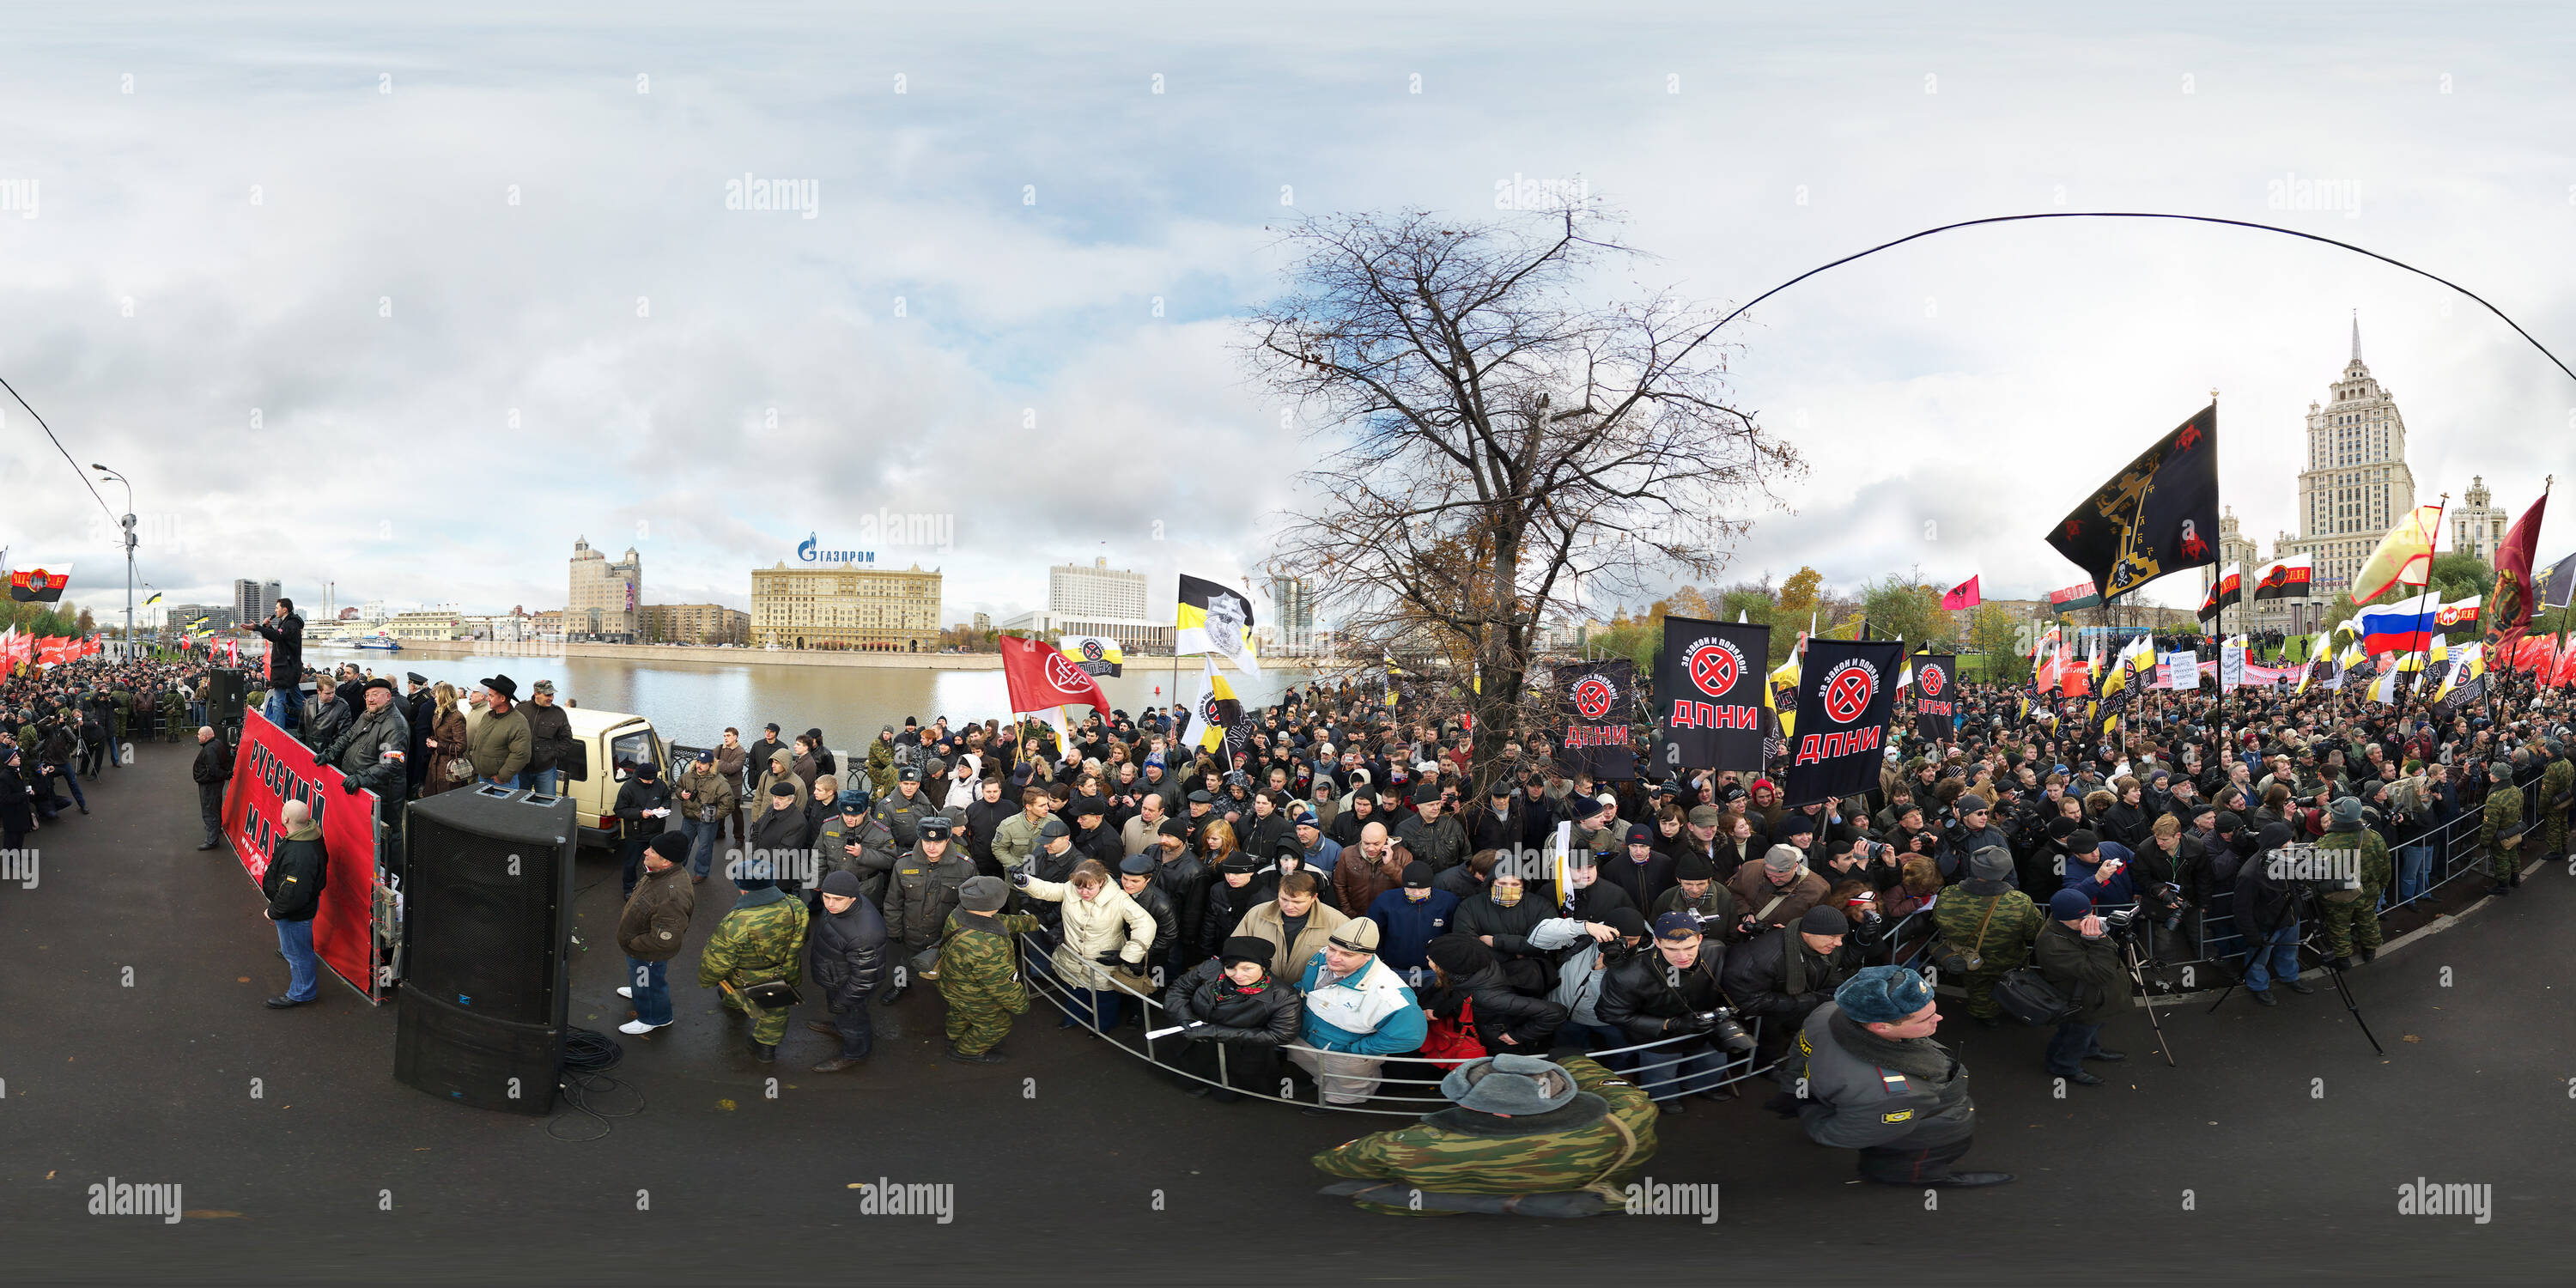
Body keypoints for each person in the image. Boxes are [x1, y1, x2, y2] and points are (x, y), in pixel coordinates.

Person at [1311, 1050, 1658, 1216]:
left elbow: (1338, 1162)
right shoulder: (1632, 1116)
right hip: (1578, 1179)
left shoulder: (1411, 1146)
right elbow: (1616, 1089)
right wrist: (1573, 1061)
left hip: (1444, 1206)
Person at [1777, 964, 2008, 1188]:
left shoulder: (1828, 1012)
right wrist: (1811, 1113)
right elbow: (1848, 1135)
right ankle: (1923, 1178)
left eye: (1933, 1010)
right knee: (1903, 1169)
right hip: (1922, 1138)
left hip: (1871, 1108)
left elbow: (1801, 1052)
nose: (1939, 1019)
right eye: (1925, 1019)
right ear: (1881, 1027)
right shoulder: (1891, 1092)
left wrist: (1795, 1091)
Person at [1599, 911, 1741, 1113]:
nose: (1683, 957)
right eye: (1672, 949)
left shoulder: (1716, 950)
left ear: (1700, 938)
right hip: (1659, 1039)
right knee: (1661, 1073)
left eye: (1690, 947)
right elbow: (1610, 1014)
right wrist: (1669, 1025)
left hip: (1706, 1028)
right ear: (1657, 942)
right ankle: (1664, 1098)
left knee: (1713, 1061)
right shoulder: (1627, 973)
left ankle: (1703, 1086)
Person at [1291, 918, 1429, 1107]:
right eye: (1332, 949)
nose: (1334, 957)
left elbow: (1410, 1036)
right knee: (1315, 1068)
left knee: (1349, 1086)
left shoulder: (1389, 994)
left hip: (1345, 1052)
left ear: (1367, 956)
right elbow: (1305, 987)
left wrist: (1357, 1051)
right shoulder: (1322, 956)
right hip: (1306, 1038)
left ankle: (1342, 1104)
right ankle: (1323, 1087)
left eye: (1347, 954)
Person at [1013, 857, 1157, 1030]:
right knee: (1075, 991)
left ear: (1102, 882)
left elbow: (1145, 924)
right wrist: (1025, 881)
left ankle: (1103, 1026)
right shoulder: (1070, 888)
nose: (1083, 892)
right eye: (1079, 887)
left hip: (1102, 964)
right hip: (1073, 957)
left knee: (1105, 999)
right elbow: (1047, 889)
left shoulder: (1119, 899)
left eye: (1089, 888)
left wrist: (1126, 956)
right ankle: (1075, 1017)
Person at [1164, 937, 1303, 1101]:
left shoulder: (1284, 996)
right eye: (1230, 968)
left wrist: (1214, 1032)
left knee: (1228, 1093)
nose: (1238, 975)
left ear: (1264, 966)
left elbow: (1281, 1034)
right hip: (1197, 1044)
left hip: (1240, 1054)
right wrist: (1184, 1018)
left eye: (1247, 969)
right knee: (1190, 1076)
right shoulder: (1210, 968)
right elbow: (1179, 989)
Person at [696, 866, 810, 1062]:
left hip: (746, 976)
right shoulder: (796, 906)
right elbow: (803, 937)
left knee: (729, 985)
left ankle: (735, 1002)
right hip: (784, 969)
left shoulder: (737, 921)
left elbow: (719, 959)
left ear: (743, 889)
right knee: (776, 1009)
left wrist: (708, 979)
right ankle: (766, 1048)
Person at [1722, 906, 1855, 1066]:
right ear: (1807, 933)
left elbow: (1829, 971)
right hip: (1761, 1023)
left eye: (1841, 937)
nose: (1839, 943)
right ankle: (1766, 1068)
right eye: (1832, 936)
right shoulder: (1762, 958)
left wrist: (1836, 992)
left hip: (1787, 1010)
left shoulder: (1823, 948)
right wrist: (1807, 1001)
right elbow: (1748, 1002)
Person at [1928, 847, 2042, 1027]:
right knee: (2013, 989)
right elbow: (2033, 932)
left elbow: (1938, 921)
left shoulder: (1949, 894)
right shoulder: (2019, 901)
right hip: (2008, 960)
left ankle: (1985, 1016)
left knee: (1977, 989)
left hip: (1968, 958)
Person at [935, 875, 1040, 1062]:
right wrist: (1020, 1005)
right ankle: (965, 1051)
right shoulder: (990, 946)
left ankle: (953, 1037)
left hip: (950, 983)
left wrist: (1033, 922)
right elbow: (1001, 984)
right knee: (996, 1025)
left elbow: (998, 921)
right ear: (996, 903)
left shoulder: (959, 915)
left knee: (959, 1011)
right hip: (973, 994)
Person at [2033, 888, 2129, 1084]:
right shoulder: (2053, 945)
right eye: (2080, 920)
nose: (2087, 922)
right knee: (2076, 1034)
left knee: (2092, 1026)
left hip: (2094, 998)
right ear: (2062, 919)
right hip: (2081, 1000)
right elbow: (2099, 973)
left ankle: (2090, 1049)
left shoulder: (2071, 927)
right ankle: (2063, 1065)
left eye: (2089, 915)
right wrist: (2099, 940)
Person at [882, 815, 975, 1001]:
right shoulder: (903, 864)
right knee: (904, 964)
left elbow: (970, 907)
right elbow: (893, 901)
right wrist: (894, 929)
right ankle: (900, 985)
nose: (931, 847)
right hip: (912, 930)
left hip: (946, 935)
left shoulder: (965, 868)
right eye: (926, 841)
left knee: (950, 968)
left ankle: (949, 996)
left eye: (938, 842)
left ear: (948, 840)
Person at [803, 869, 889, 1072]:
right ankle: (840, 1027)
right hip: (837, 976)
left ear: (852, 898)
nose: (830, 904)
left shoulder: (865, 934)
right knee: (844, 1015)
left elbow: (866, 979)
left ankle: (855, 1053)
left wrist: (843, 1000)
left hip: (849, 988)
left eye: (837, 899)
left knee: (855, 1020)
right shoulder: (841, 907)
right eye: (826, 897)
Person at [615, 832, 696, 1036]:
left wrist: (633, 943)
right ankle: (638, 989)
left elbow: (664, 941)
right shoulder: (658, 872)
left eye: (652, 851)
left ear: (666, 861)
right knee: (641, 979)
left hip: (646, 953)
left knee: (649, 983)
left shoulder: (672, 895)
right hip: (639, 948)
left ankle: (654, 1018)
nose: (646, 851)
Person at [2230, 823, 2312, 1005]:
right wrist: (2251, 934)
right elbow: (2241, 908)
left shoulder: (2289, 858)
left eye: (2291, 840)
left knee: (2289, 951)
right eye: (2286, 843)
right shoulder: (2250, 874)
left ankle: (2289, 976)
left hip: (2290, 918)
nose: (2291, 845)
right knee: (2258, 958)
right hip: (2266, 925)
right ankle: (2258, 986)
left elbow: (2297, 881)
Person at [260, 799, 329, 1009]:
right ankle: (291, 948)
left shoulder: (300, 855)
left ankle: (302, 993)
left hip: (294, 912)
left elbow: (293, 895)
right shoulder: (307, 834)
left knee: (298, 954)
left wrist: (273, 911)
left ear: (286, 818)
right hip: (302, 907)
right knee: (297, 945)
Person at [2312, 794, 2391, 968]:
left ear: (2334, 817)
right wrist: (2379, 887)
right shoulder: (2374, 837)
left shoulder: (2325, 843)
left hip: (2339, 893)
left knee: (2338, 925)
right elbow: (2386, 867)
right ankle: (2369, 951)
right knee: (2368, 919)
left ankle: (2343, 959)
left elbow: (2317, 873)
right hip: (2368, 890)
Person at [1364, 861, 1460, 977]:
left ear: (1431, 885)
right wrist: (1380, 961)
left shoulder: (1448, 901)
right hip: (1395, 968)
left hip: (1435, 969)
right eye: (1410, 888)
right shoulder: (1385, 900)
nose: (1416, 893)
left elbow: (1455, 935)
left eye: (1422, 888)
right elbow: (1372, 932)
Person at [612, 761, 675, 898]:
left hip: (656, 832)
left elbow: (667, 798)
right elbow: (619, 810)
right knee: (631, 863)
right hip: (636, 833)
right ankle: (629, 889)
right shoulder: (628, 788)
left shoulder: (659, 784)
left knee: (656, 862)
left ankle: (654, 887)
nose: (651, 782)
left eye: (653, 779)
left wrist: (663, 807)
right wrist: (640, 814)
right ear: (639, 777)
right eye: (648, 780)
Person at [672, 749, 735, 884]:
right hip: (689, 818)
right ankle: (677, 870)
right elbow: (678, 787)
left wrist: (712, 816)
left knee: (704, 848)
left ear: (711, 765)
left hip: (707, 822)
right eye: (698, 762)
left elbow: (728, 806)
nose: (699, 765)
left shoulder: (721, 783)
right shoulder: (687, 776)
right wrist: (680, 794)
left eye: (703, 763)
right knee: (683, 845)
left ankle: (701, 872)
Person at [465, 674, 531, 788]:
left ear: (503, 698)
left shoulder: (518, 722)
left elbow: (521, 754)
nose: (487, 698)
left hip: (502, 784)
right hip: (482, 778)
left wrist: (502, 777)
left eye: (490, 695)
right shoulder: (487, 716)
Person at [251, 598, 304, 733]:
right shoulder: (288, 623)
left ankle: (279, 732)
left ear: (284, 609)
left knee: (277, 702)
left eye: (277, 608)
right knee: (298, 698)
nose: (275, 610)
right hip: (291, 668)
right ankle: (311, 720)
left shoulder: (290, 624)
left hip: (284, 669)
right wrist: (268, 628)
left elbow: (277, 636)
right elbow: (279, 637)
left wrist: (258, 628)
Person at [523, 680, 575, 796]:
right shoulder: (521, 709)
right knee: (517, 805)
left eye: (552, 694)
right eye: (547, 695)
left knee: (547, 805)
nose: (551, 698)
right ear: (536, 693)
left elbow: (567, 740)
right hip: (521, 769)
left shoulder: (558, 714)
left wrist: (551, 755)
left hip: (545, 770)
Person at [418, 683, 471, 797]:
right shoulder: (438, 714)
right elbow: (440, 736)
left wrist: (437, 745)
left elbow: (461, 746)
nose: (435, 699)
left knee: (447, 801)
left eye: (437, 696)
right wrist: (431, 741)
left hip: (450, 768)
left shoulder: (457, 717)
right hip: (435, 764)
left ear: (444, 697)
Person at [191, 726, 234, 851]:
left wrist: (224, 775)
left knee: (209, 810)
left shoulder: (209, 750)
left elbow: (214, 770)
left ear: (206, 736)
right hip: (213, 783)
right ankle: (215, 828)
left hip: (210, 784)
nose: (198, 737)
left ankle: (212, 840)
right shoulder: (217, 743)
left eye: (199, 734)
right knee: (214, 807)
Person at [301, 677, 349, 752]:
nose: (331, 696)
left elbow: (343, 736)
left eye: (333, 692)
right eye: (328, 693)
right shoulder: (308, 702)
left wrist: (328, 754)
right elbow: (301, 726)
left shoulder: (343, 707)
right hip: (307, 749)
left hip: (326, 752)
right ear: (318, 691)